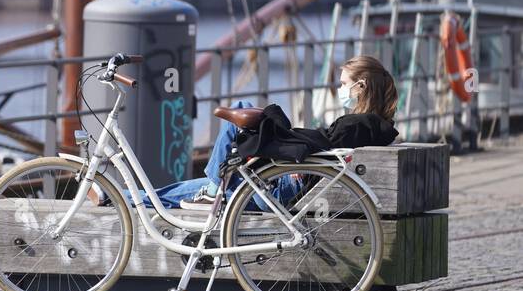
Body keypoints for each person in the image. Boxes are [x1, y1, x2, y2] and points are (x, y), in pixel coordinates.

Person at [141, 54, 399, 210]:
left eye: (343, 84)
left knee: (239, 112)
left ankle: (213, 188)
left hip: (279, 190)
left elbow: (318, 147)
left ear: (361, 86)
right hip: (286, 183)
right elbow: (322, 146)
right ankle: (208, 188)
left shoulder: (354, 125)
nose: (339, 89)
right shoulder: (372, 126)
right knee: (182, 191)